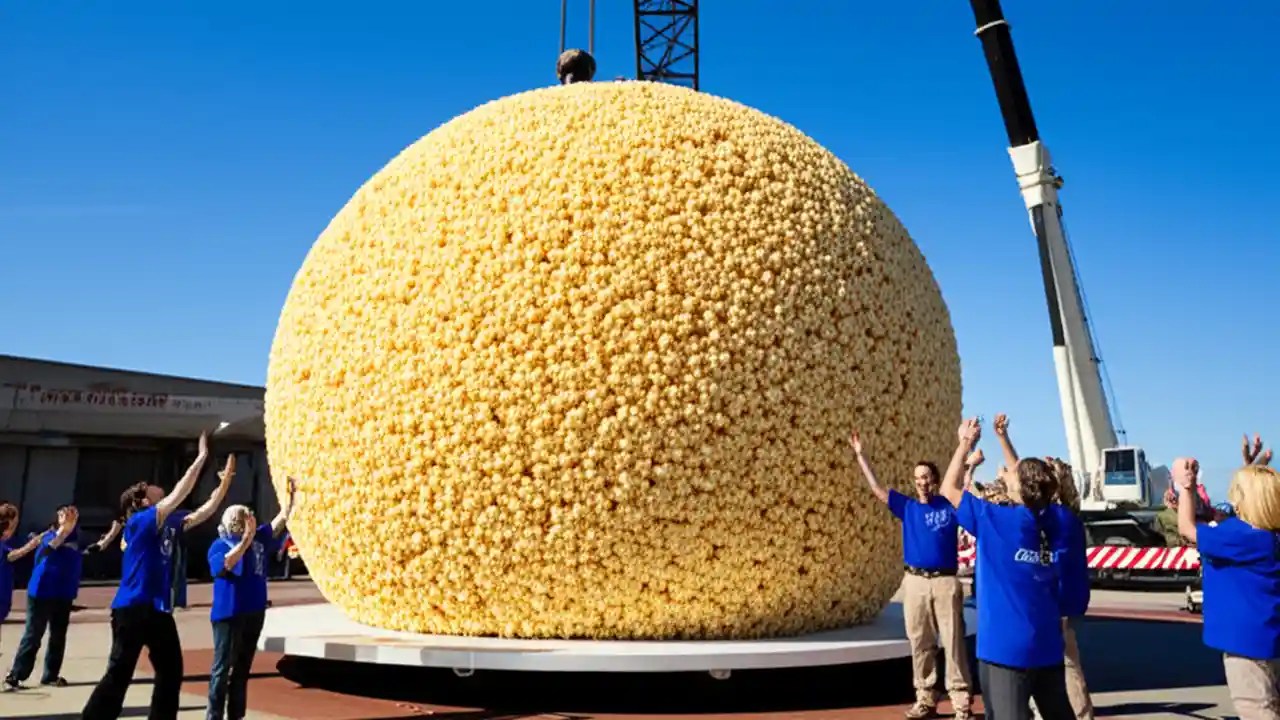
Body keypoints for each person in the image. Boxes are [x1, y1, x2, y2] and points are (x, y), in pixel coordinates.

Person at [81, 433, 236, 720]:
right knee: (119, 672)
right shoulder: (141, 521)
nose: (154, 486)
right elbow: (181, 491)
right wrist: (201, 457)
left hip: (157, 610)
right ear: (140, 501)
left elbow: (204, 512)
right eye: (146, 487)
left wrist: (224, 483)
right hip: (131, 608)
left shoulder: (167, 523)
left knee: (171, 670)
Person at [939, 417, 1086, 720]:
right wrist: (1004, 439)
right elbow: (1033, 484)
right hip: (1047, 644)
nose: (1005, 472)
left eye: (1009, 473)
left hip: (1004, 651)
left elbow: (948, 489)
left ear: (1019, 488)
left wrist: (965, 442)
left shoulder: (995, 520)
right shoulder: (1065, 522)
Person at [850, 430, 974, 720]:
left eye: (927, 477)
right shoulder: (907, 507)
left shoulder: (948, 505)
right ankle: (925, 698)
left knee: (953, 641)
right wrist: (860, 456)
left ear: (935, 479)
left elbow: (962, 487)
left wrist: (970, 462)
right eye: (918, 478)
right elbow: (878, 490)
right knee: (920, 642)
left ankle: (961, 703)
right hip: (915, 582)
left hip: (944, 581)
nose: (922, 482)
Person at [1174, 443, 1279, 720]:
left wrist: (1184, 485)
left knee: (1257, 709)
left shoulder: (1243, 537)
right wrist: (1249, 467)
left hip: (1246, 644)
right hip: (1267, 636)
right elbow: (1212, 517)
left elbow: (1187, 528)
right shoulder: (1265, 534)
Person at [206, 477, 297, 720]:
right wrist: (245, 540)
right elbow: (226, 564)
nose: (243, 522)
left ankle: (236, 715)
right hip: (229, 614)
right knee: (222, 669)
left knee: (242, 668)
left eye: (246, 518)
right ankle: (213, 716)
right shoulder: (219, 545)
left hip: (254, 610)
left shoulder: (259, 539)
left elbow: (279, 522)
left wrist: (291, 499)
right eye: (239, 519)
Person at [4, 504, 83, 690]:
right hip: (41, 591)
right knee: (33, 634)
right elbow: (49, 547)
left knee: (58, 635)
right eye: (65, 514)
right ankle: (16, 675)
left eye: (73, 514)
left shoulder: (77, 538)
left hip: (64, 593)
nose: (70, 516)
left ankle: (50, 675)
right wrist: (64, 529)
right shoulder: (48, 536)